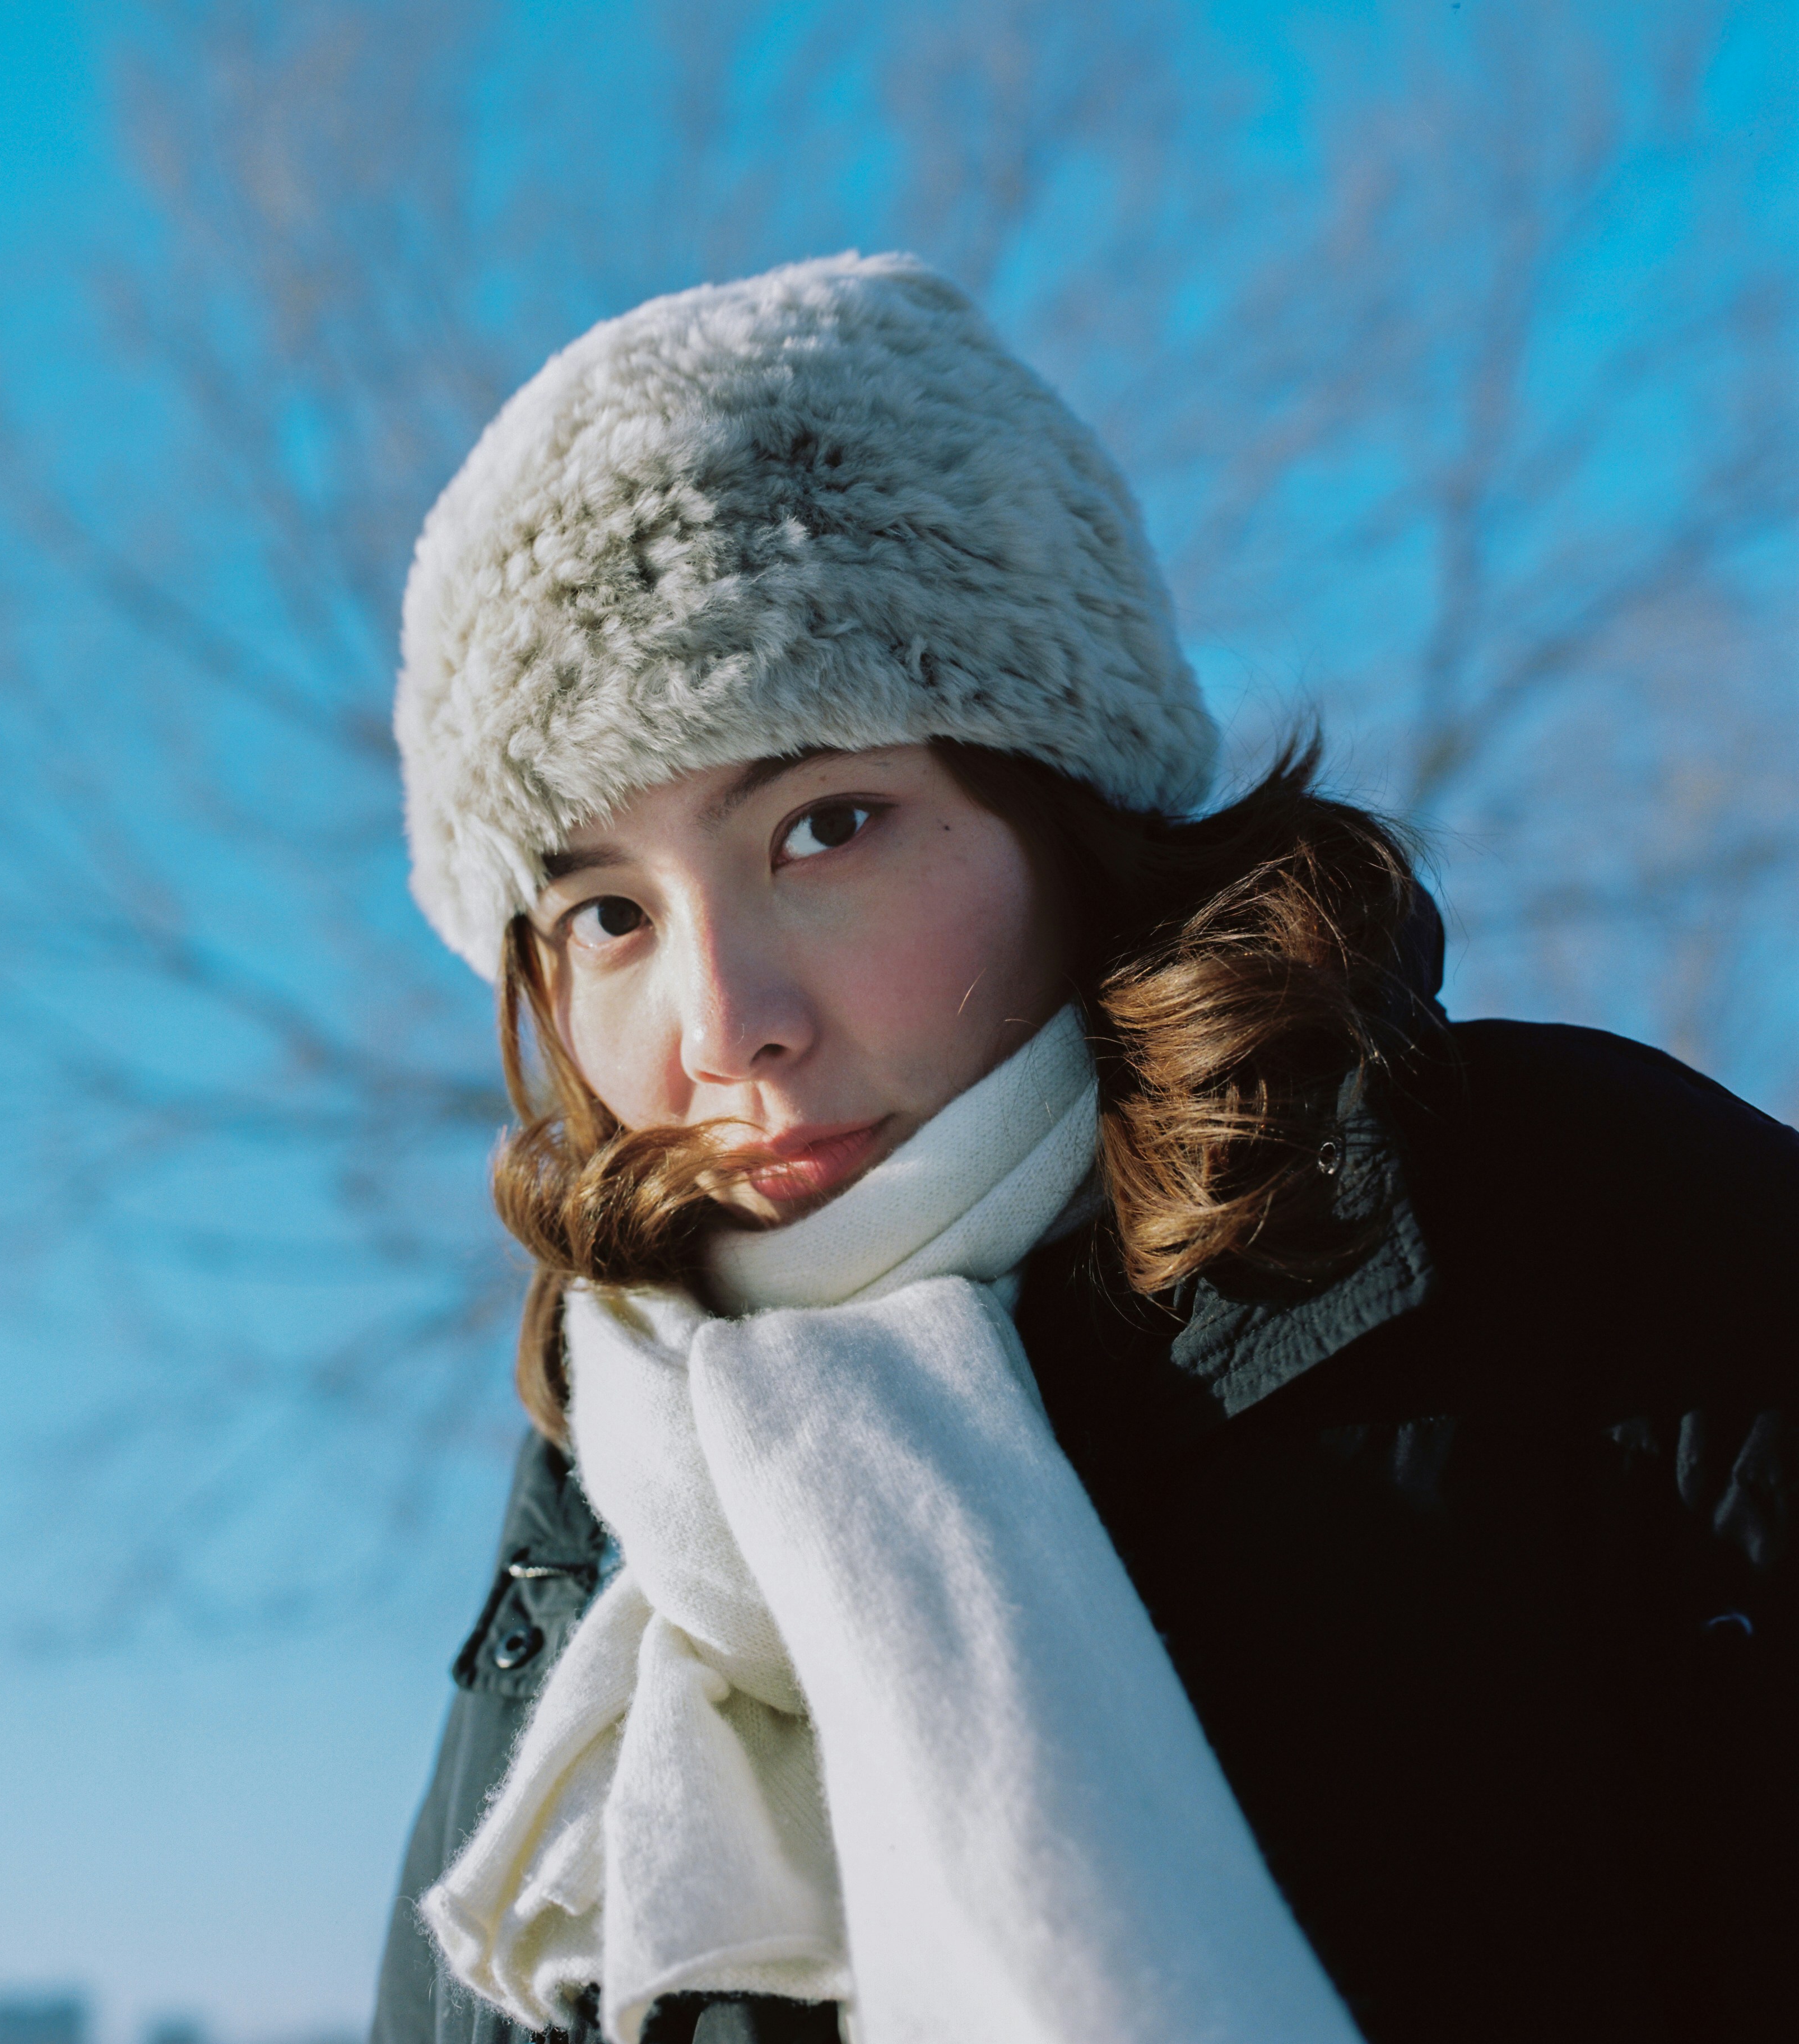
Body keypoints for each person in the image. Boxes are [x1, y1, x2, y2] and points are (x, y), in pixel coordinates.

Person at [370, 254, 1796, 2044]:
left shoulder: (1572, 1228)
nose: (723, 1022)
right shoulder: (605, 1534)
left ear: (1064, 804)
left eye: (825, 825)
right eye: (604, 916)